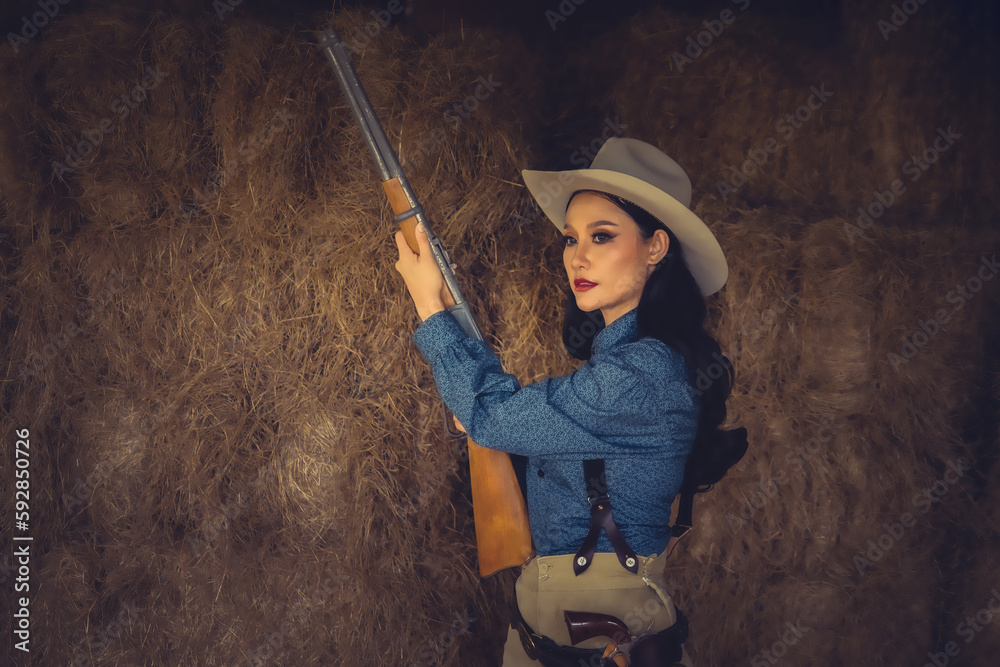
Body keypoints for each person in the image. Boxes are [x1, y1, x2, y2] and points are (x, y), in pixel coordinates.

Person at [394, 137, 746, 667]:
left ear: (656, 248)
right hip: (562, 623)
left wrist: (429, 305)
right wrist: (497, 424)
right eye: (569, 238)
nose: (577, 257)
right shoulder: (623, 365)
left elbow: (491, 415)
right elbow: (501, 424)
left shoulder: (643, 373)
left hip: (603, 629)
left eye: (601, 236)